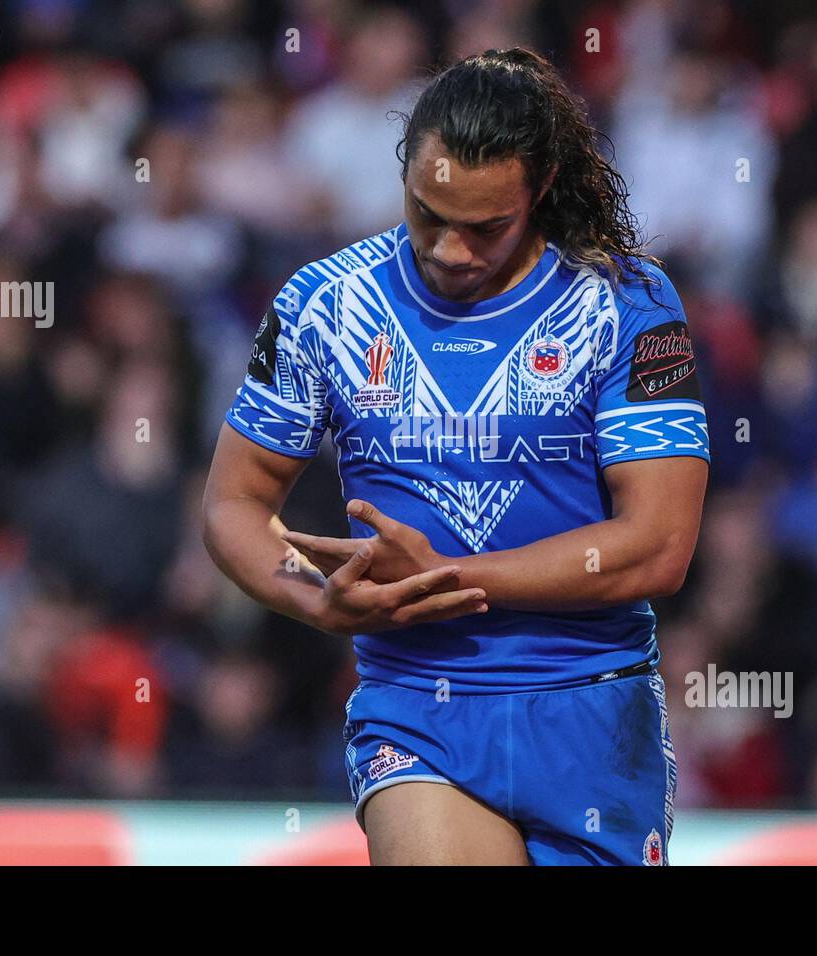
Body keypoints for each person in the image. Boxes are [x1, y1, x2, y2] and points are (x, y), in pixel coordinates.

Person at [203, 48, 710, 865]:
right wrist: (314, 599)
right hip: (417, 711)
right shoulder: (324, 304)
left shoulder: (629, 303)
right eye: (426, 212)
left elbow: (659, 546)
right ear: (406, 169)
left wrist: (444, 577)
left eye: (484, 228)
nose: (446, 249)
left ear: (540, 189)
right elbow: (233, 505)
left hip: (593, 710)